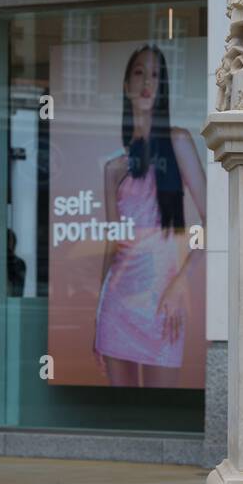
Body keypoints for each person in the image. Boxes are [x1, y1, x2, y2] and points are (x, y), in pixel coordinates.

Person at [93, 44, 206, 388]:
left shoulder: (179, 142)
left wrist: (180, 283)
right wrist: (98, 314)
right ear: (127, 85)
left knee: (162, 408)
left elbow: (215, 222)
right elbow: (115, 245)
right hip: (118, 304)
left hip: (162, 301)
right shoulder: (116, 165)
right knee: (121, 412)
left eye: (156, 75)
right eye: (140, 72)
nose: (147, 82)